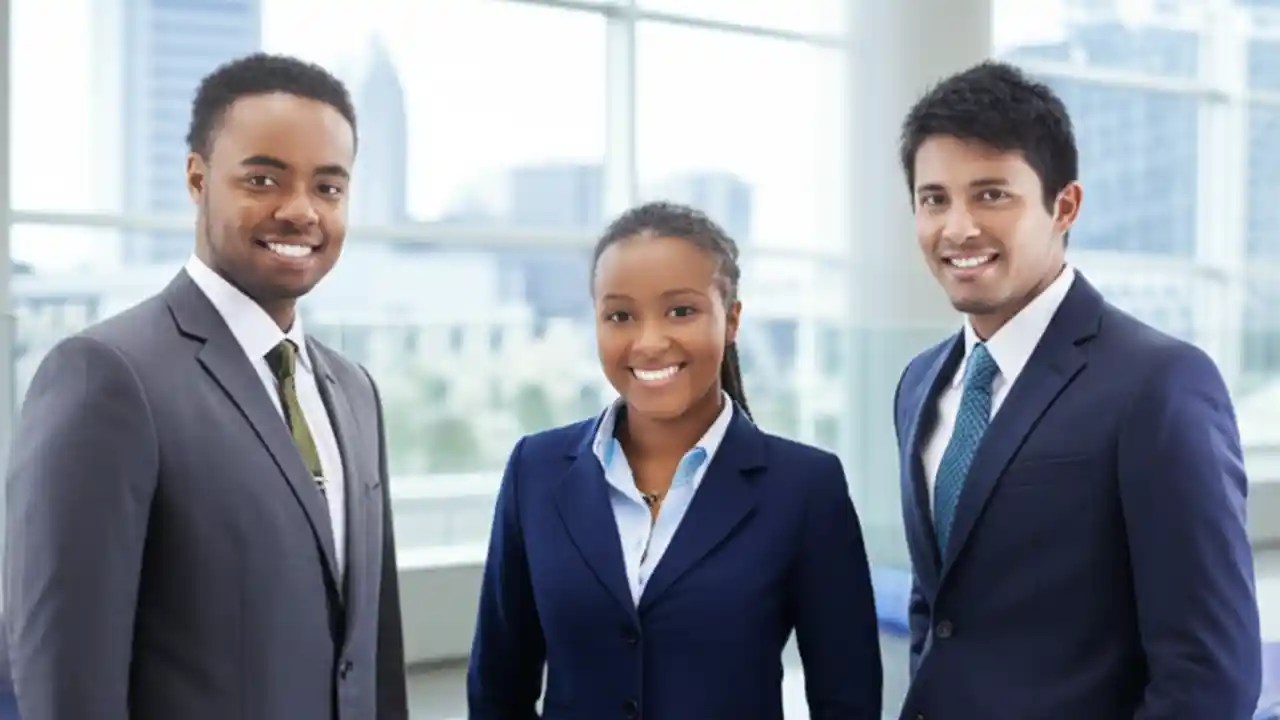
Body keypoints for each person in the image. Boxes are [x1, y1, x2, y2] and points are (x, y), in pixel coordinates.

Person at [3, 53, 408, 720]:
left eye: (328, 188)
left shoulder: (354, 392)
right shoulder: (104, 377)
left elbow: (372, 659)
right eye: (263, 179)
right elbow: (66, 678)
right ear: (198, 179)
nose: (300, 211)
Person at [893, 60, 1261, 719]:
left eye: (992, 194)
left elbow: (1210, 677)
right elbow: (938, 608)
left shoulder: (1158, 385)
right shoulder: (920, 384)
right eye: (934, 199)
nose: (958, 228)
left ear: (1064, 206)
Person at [467, 201, 883, 719]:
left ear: (731, 319)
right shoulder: (536, 469)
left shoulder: (806, 486)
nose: (649, 342)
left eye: (680, 311)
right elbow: (497, 685)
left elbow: (847, 698)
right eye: (620, 315)